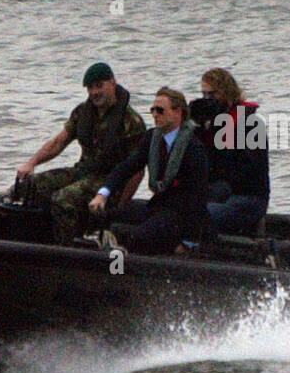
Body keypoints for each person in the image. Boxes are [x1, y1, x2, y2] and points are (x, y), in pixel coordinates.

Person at [12, 62, 145, 242]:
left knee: (63, 199)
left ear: (113, 83)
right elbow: (59, 142)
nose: (94, 92)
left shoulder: (131, 121)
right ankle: (30, 240)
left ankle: (67, 248)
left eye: (99, 86)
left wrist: (119, 207)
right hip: (83, 172)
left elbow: (137, 170)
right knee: (31, 186)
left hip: (109, 183)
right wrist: (32, 163)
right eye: (90, 87)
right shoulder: (83, 113)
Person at [87, 87, 209, 255]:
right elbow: (128, 166)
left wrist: (188, 241)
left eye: (160, 110)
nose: (155, 114)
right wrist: (103, 194)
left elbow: (198, 196)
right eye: (152, 110)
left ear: (178, 112)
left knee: (139, 236)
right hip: (158, 206)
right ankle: (109, 262)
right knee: (109, 217)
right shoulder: (152, 138)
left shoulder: (193, 146)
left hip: (180, 215)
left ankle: (131, 267)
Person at [191, 68, 270, 236]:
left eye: (211, 95)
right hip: (218, 192)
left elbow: (249, 174)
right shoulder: (209, 124)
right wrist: (200, 130)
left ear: (226, 94)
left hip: (248, 197)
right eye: (204, 95)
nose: (207, 100)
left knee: (203, 215)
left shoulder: (250, 123)